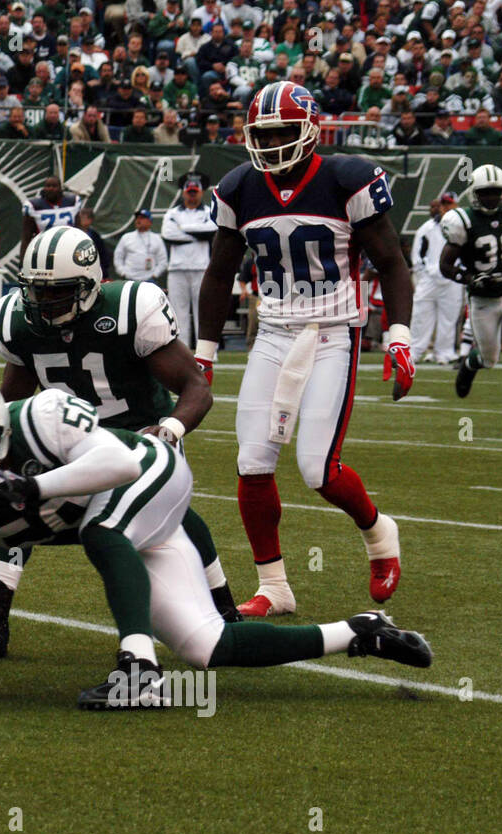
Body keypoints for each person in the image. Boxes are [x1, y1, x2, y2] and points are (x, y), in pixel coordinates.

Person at [0, 373, 431, 708]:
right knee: (205, 646)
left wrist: (31, 486)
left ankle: (139, 671)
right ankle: (361, 633)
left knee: (102, 528)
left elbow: (114, 462)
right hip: (124, 518)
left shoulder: (41, 415)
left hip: (149, 472)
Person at [0, 225, 235, 660]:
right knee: (10, 495)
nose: (43, 302)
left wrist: (169, 430)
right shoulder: (17, 320)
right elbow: (12, 399)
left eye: (58, 292)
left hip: (140, 438)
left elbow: (196, 387)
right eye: (36, 291)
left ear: (90, 285)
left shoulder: (131, 307)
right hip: (69, 440)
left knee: (168, 518)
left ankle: (223, 608)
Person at [197, 82, 412, 617]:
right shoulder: (240, 187)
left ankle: (380, 536)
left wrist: (400, 337)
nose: (270, 145)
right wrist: (203, 352)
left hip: (333, 331)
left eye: (282, 133)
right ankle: (275, 586)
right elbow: (219, 273)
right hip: (271, 333)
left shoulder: (346, 179)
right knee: (251, 462)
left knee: (319, 469)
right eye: (262, 134)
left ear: (312, 130)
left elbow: (391, 262)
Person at [442, 166, 502, 398]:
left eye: (495, 192)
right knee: (488, 358)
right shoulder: (462, 220)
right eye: (485, 192)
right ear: (475, 192)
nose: (491, 197)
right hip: (484, 300)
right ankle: (468, 366)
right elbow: (445, 266)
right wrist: (470, 279)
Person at [161, 172, 218, 346]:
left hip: (201, 267)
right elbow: (167, 233)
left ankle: (206, 351)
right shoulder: (172, 213)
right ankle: (182, 350)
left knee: (204, 311)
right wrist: (196, 234)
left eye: (195, 192)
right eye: (189, 192)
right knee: (178, 312)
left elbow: (211, 229)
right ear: (184, 192)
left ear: (201, 193)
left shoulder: (209, 212)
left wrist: (183, 228)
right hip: (177, 269)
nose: (192, 195)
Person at [409, 193, 463, 367]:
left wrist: (459, 272)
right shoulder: (427, 228)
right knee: (420, 314)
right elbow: (417, 254)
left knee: (449, 317)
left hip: (452, 279)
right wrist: (424, 274)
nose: (445, 207)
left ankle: (444, 352)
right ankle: (415, 351)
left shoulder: (463, 227)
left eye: (449, 204)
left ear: (456, 205)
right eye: (443, 204)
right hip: (429, 279)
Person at [20, 177, 83, 264]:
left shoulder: (73, 202)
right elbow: (26, 237)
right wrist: (22, 263)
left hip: (68, 250)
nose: (51, 188)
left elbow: (79, 232)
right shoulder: (33, 206)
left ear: (60, 188)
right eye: (48, 186)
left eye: (54, 186)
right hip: (44, 251)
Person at [114, 209, 168, 283]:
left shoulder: (157, 238)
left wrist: (154, 275)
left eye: (142, 218)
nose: (138, 220)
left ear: (149, 221)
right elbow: (118, 257)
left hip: (149, 280)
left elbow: (163, 261)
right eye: (137, 218)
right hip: (129, 279)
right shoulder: (126, 237)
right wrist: (122, 273)